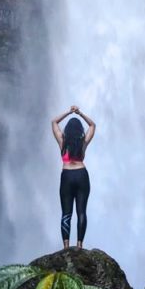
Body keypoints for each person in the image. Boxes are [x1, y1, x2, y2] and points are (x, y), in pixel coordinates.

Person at [51, 105, 95, 249]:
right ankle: (80, 245)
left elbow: (54, 122)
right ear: (80, 130)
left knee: (66, 213)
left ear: (67, 130)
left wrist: (69, 112)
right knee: (81, 211)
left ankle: (66, 246)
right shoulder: (83, 143)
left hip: (67, 176)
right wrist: (80, 113)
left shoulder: (62, 142)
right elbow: (93, 125)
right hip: (82, 175)